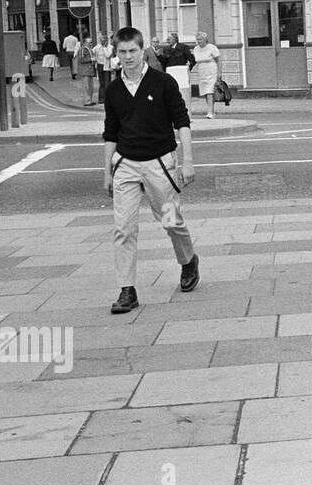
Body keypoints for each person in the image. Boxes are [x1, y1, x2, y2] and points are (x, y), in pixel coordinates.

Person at [103, 27, 198, 315]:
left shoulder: (163, 83)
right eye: (122, 52)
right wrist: (107, 170)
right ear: (116, 54)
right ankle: (127, 290)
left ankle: (188, 260)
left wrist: (188, 160)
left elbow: (182, 122)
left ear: (143, 51)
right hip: (126, 166)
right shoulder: (113, 89)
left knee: (171, 221)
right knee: (124, 229)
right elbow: (110, 131)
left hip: (160, 164)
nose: (128, 57)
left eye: (133, 51)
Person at [192, 32, 222, 119]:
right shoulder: (196, 49)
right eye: (197, 39)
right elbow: (195, 60)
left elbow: (218, 60)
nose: (198, 41)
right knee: (205, 92)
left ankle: (210, 112)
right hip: (201, 72)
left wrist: (219, 73)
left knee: (210, 91)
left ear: (205, 40)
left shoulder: (212, 48)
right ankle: (211, 110)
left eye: (200, 39)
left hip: (212, 71)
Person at [76, 33, 98, 105]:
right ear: (85, 43)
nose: (91, 43)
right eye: (89, 42)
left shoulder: (89, 49)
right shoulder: (83, 50)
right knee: (86, 87)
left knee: (90, 87)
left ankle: (90, 100)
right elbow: (81, 59)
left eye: (91, 42)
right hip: (85, 71)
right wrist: (91, 59)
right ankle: (87, 101)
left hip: (90, 70)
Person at [95, 32, 113, 103]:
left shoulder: (110, 47)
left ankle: (107, 98)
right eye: (101, 41)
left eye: (103, 41)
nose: (102, 43)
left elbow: (108, 55)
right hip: (99, 65)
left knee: (107, 83)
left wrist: (105, 48)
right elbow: (93, 52)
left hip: (106, 66)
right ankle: (101, 99)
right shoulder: (98, 47)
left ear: (106, 41)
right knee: (101, 83)